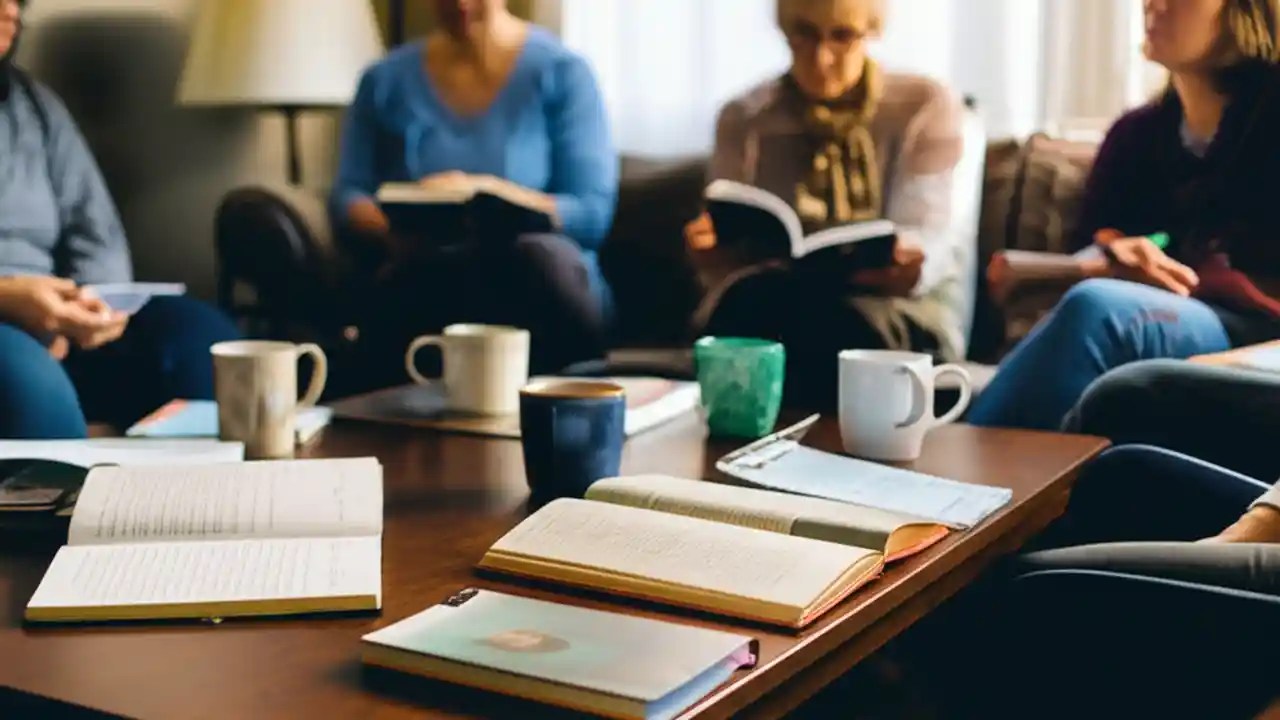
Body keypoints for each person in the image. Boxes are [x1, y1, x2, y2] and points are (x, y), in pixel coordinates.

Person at [968, 0, 1280, 431]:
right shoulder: (1136, 134)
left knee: (1099, 310)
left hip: (1256, 332)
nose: (1154, 4)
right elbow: (1089, 245)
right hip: (1166, 315)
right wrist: (1116, 254)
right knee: (1093, 306)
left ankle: (966, 460)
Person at [685, 0, 968, 409]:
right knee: (753, 310)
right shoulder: (744, 118)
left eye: (842, 36)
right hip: (775, 299)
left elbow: (931, 236)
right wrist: (710, 250)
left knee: (837, 323)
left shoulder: (923, 105)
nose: (821, 58)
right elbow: (725, 236)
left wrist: (908, 262)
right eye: (805, 34)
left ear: (871, 31)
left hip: (895, 308)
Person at [331, 0, 617, 383]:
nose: (461, 4)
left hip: (536, 281)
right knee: (404, 280)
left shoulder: (563, 73)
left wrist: (487, 191)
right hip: (424, 269)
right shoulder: (383, 81)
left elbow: (592, 212)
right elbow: (348, 194)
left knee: (538, 258)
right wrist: (395, 226)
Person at [0, 0, 239, 439]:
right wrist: (9, 299)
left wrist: (88, 312)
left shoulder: (34, 106)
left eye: (16, 1)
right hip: (12, 328)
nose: (11, 12)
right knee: (27, 384)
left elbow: (95, 231)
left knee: (204, 340)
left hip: (60, 320)